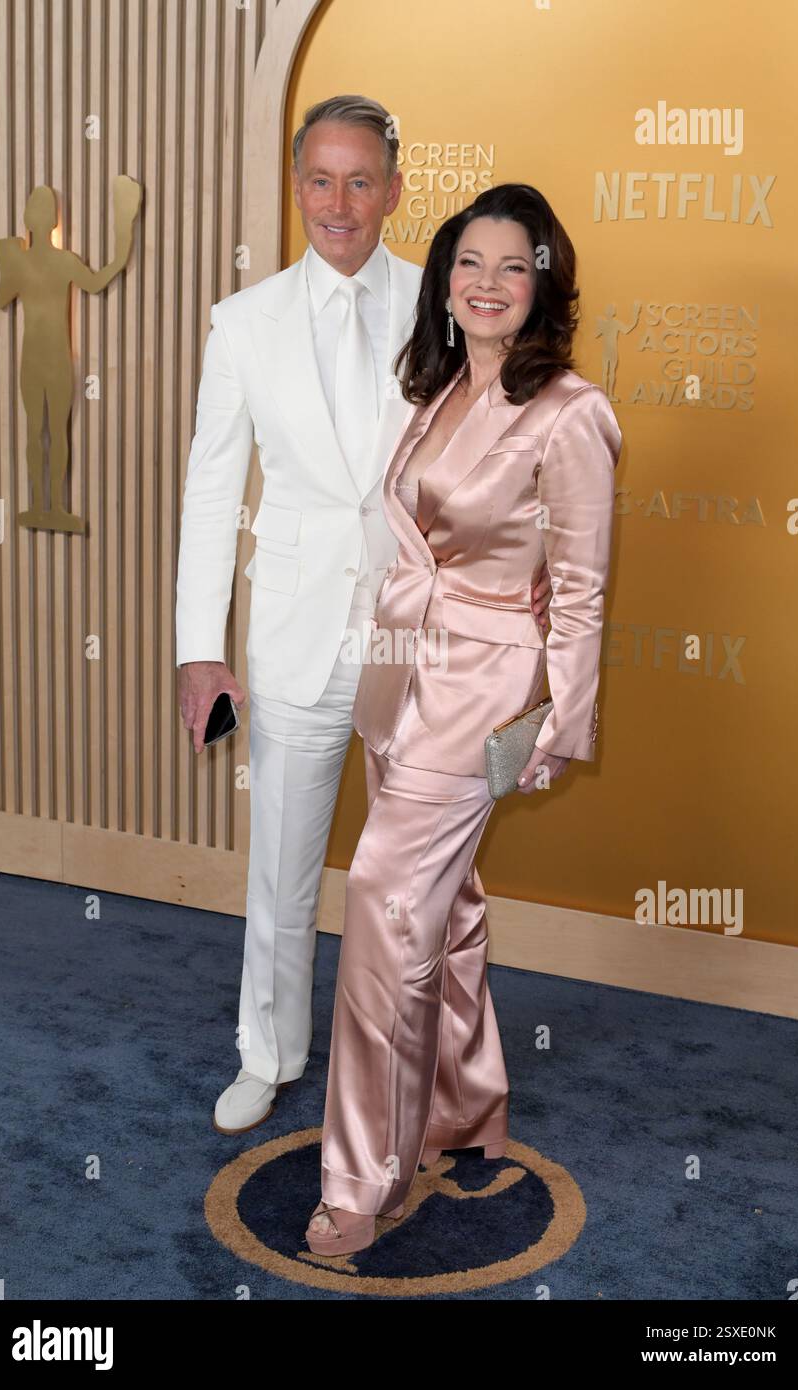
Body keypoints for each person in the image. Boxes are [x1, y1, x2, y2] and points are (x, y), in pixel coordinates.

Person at [175, 99, 552, 1135]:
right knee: (282, 866)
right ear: (295, 185)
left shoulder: (446, 304)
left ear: (393, 188)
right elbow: (211, 490)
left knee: (419, 881)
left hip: (415, 638)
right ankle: (268, 1050)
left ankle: (422, 1068)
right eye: (318, 180)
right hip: (292, 633)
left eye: (359, 181)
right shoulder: (240, 324)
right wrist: (197, 647)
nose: (337, 203)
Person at [306, 182, 623, 1254]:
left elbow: (579, 587)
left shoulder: (574, 414)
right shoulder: (435, 388)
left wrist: (556, 718)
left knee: (385, 912)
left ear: (545, 286)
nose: (488, 285)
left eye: (513, 267)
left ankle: (363, 1173)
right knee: (448, 903)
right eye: (470, 265)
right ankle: (462, 1101)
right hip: (401, 676)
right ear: (446, 281)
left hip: (481, 688)